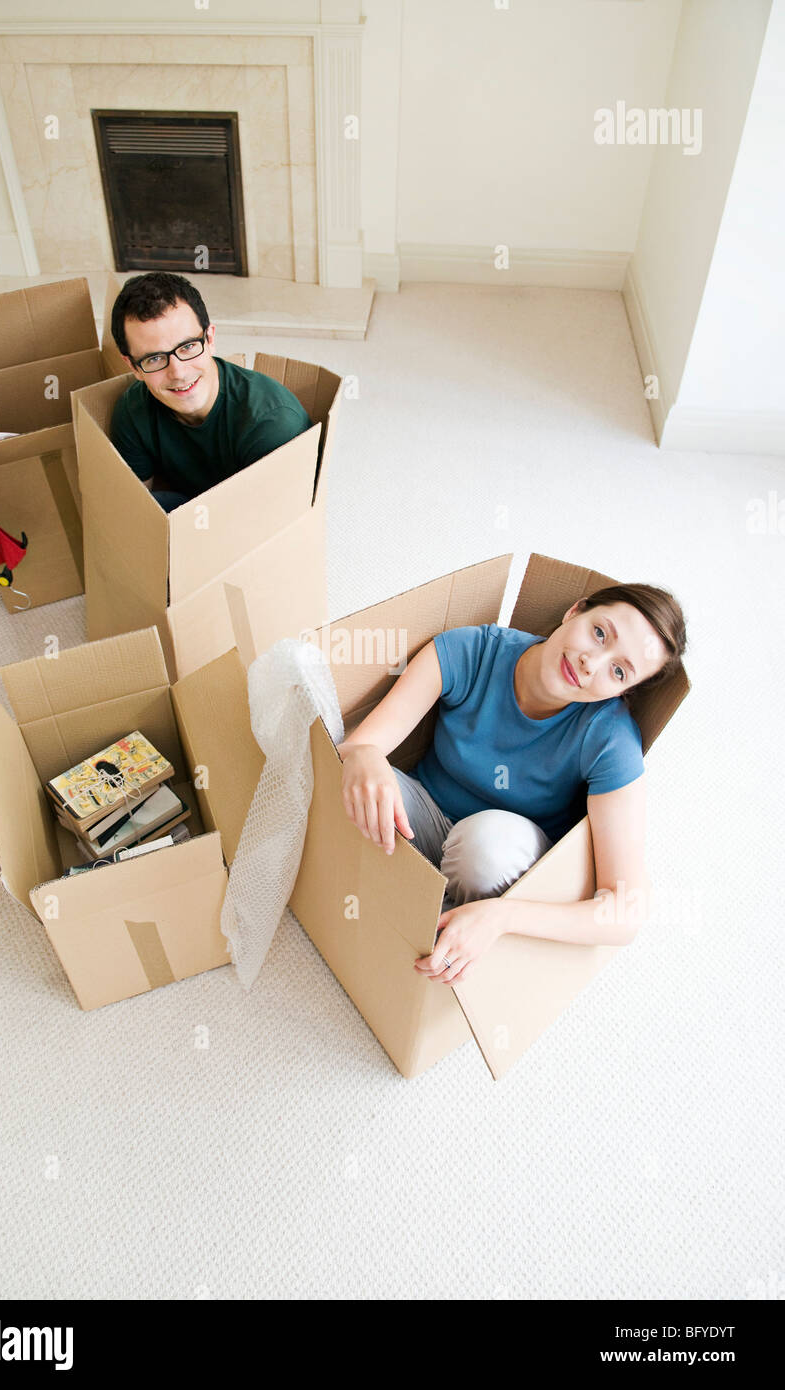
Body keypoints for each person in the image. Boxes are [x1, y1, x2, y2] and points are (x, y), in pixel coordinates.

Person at [337, 582, 687, 985]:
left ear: (623, 693)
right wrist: (364, 756)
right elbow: (360, 746)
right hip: (423, 816)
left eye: (619, 670)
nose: (592, 663)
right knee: (351, 782)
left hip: (501, 867)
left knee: (486, 846)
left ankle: (455, 929)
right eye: (600, 633)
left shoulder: (610, 740)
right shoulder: (473, 651)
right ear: (575, 611)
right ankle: (418, 912)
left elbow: (625, 910)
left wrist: (502, 916)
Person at [109, 272, 313, 512]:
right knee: (135, 507)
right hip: (194, 507)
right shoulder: (132, 411)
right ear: (133, 366)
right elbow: (133, 508)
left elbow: (270, 522)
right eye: (154, 358)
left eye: (187, 347)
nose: (178, 372)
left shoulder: (272, 423)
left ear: (210, 338)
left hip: (252, 519)